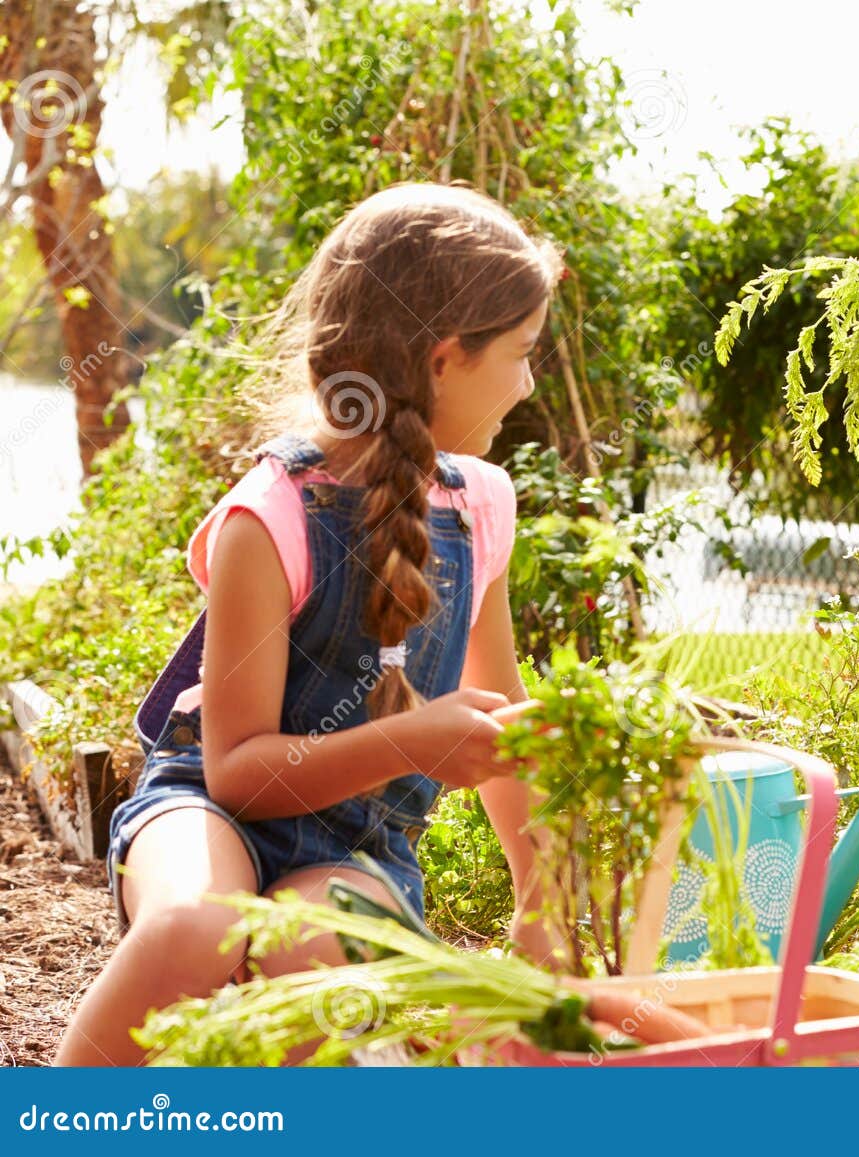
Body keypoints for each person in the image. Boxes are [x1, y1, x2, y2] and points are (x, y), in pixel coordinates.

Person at [60, 183, 580, 1065]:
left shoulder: (482, 505)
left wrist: (545, 917)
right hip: (204, 806)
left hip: (358, 843)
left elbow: (503, 731)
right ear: (445, 359)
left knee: (326, 960)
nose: (530, 382)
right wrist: (414, 740)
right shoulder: (272, 516)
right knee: (199, 928)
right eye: (522, 352)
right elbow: (237, 774)